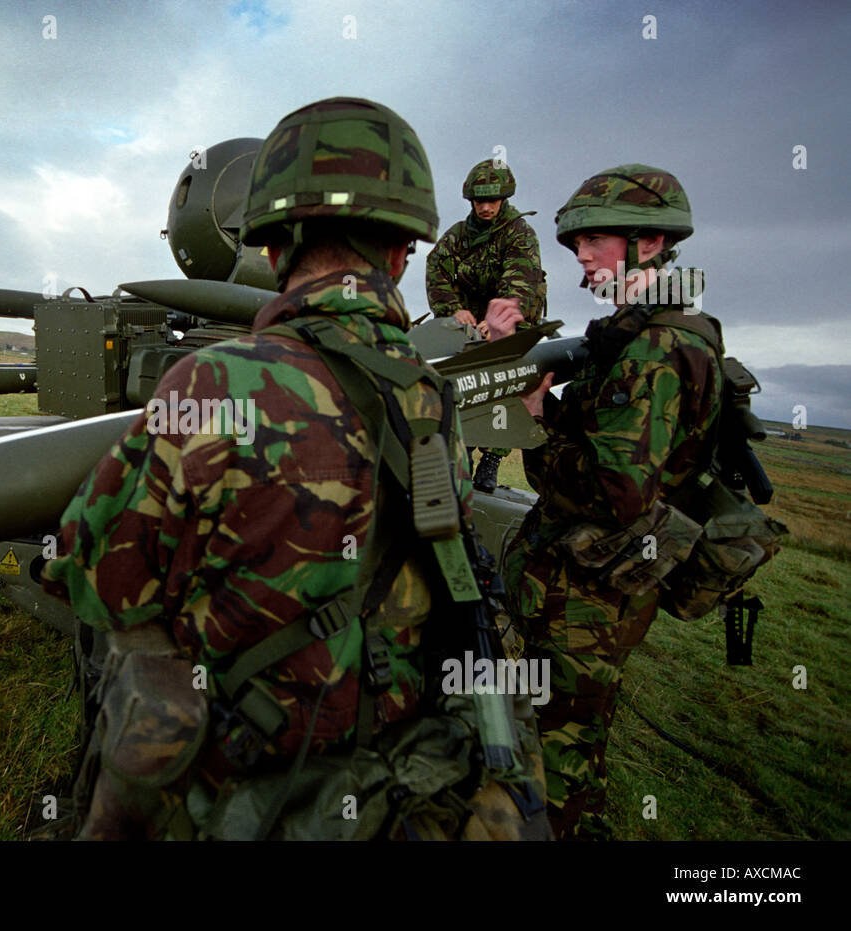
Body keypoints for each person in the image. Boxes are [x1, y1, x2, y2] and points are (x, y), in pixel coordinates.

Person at [42, 97, 549, 841]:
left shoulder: (212, 383)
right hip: (390, 788)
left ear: (273, 250)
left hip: (246, 788)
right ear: (404, 253)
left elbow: (98, 577)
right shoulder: (429, 397)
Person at [496, 164, 723, 840]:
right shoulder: (642, 331)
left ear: (648, 244)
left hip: (589, 593)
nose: (581, 259)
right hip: (585, 585)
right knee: (561, 731)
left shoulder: (657, 347)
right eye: (573, 246)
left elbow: (617, 492)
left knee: (559, 753)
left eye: (594, 241)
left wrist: (541, 421)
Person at [425, 159, 548, 492]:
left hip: (512, 327)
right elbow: (436, 270)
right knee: (464, 384)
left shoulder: (519, 234)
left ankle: (493, 459)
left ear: (504, 199)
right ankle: (461, 449)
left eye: (492, 200)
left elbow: (520, 283)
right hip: (469, 328)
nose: (486, 207)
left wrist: (497, 321)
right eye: (480, 201)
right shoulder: (458, 236)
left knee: (506, 385)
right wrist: (454, 310)